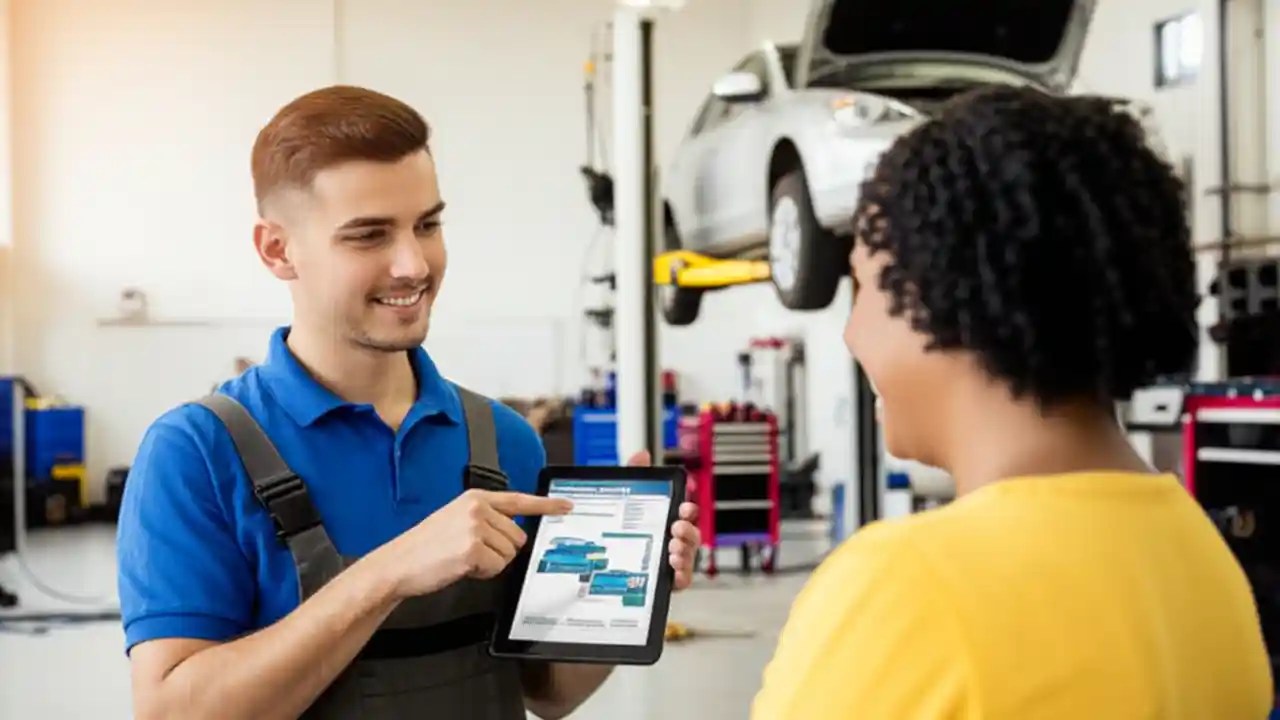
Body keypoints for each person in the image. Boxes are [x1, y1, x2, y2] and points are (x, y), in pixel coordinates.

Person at [116, 85, 701, 720]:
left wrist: (625, 592)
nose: (413, 264)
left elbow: (548, 693)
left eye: (427, 224)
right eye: (369, 236)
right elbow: (172, 712)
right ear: (277, 250)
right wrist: (392, 571)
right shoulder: (196, 452)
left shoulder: (503, 440)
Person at [751, 87, 1274, 718]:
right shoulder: (1203, 563)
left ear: (935, 292)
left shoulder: (907, 587)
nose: (851, 332)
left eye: (861, 285)